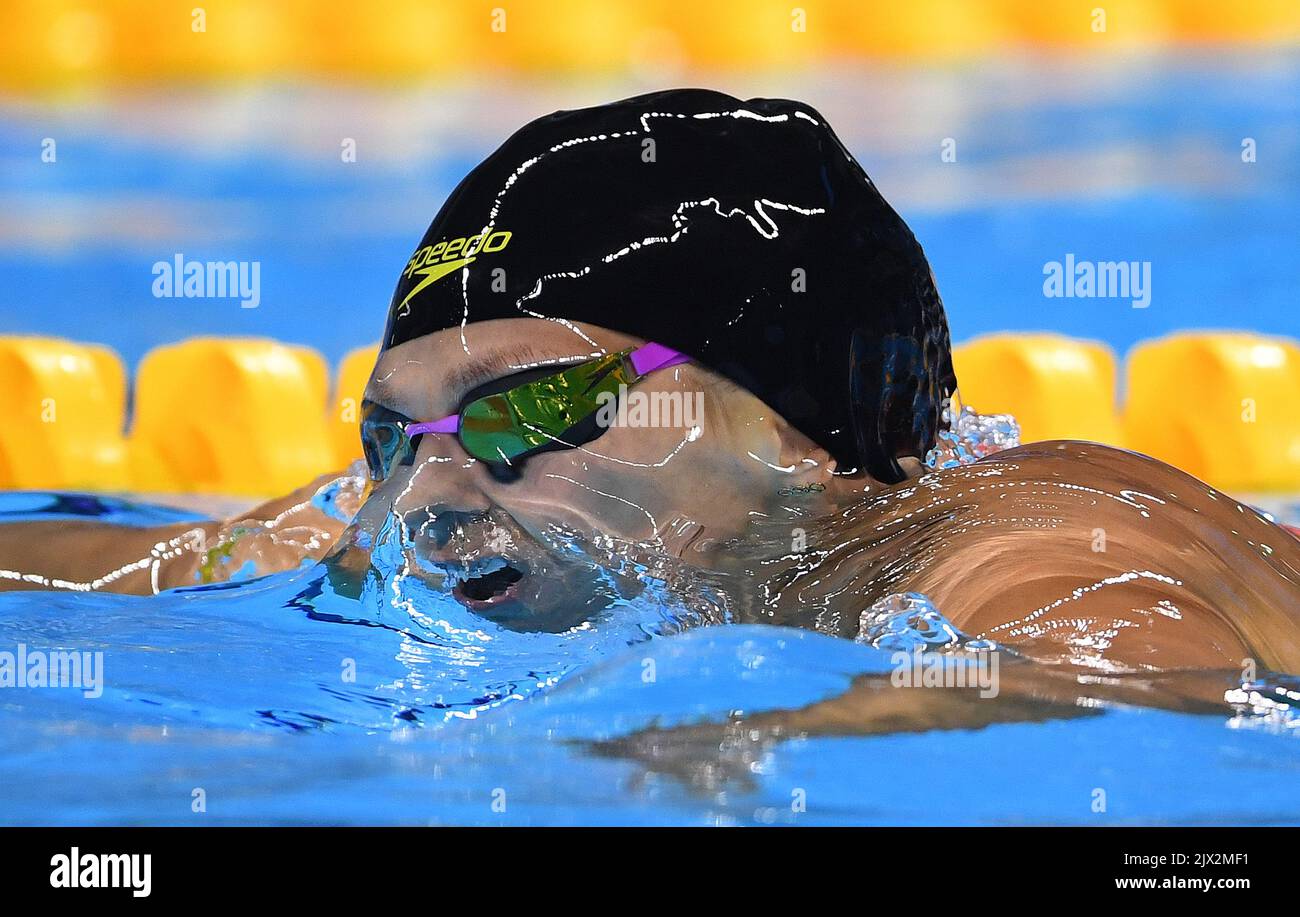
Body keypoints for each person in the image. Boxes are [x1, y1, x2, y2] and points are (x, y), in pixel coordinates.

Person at [2, 89, 1297, 682]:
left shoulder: (1019, 539)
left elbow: (1127, 667)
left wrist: (754, 748)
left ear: (792, 431)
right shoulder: (443, 505)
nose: (425, 501)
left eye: (528, 408)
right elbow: (146, 567)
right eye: (393, 436)